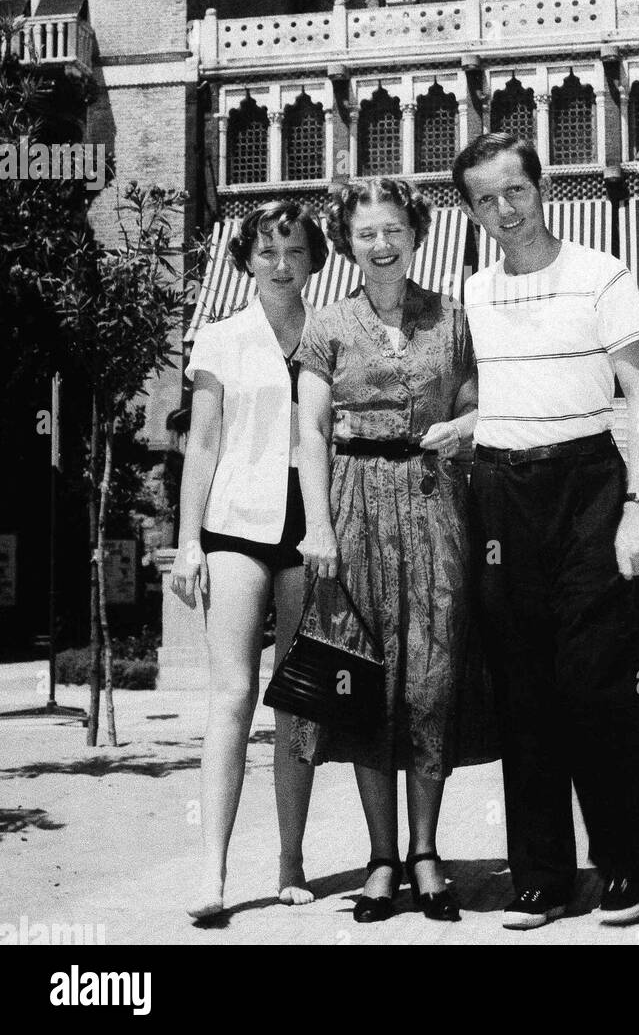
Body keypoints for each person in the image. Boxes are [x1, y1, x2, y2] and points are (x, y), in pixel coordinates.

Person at [454, 131, 639, 930]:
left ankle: (621, 870)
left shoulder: (601, 274)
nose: (504, 210)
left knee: (601, 682)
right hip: (502, 491)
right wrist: (466, 426)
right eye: (485, 199)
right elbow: (500, 386)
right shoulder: (474, 293)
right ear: (470, 210)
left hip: (590, 486)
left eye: (515, 190)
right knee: (523, 689)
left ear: (542, 188)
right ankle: (540, 876)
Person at [294, 177, 490, 924]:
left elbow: (477, 402)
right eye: (366, 232)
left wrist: (460, 428)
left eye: (394, 230)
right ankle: (381, 858)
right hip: (351, 505)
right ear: (346, 241)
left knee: (432, 680)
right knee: (363, 680)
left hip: (436, 500)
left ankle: (426, 851)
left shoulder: (454, 317)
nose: (381, 244)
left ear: (416, 234)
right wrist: (317, 526)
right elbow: (310, 430)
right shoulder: (327, 325)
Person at [172, 200, 328, 919]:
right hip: (234, 523)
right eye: (267, 250)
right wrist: (189, 541)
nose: (281, 262)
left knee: (296, 697)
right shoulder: (220, 337)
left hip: (310, 526)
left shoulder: (331, 332)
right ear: (246, 258)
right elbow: (200, 443)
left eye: (293, 249)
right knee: (232, 694)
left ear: (313, 256)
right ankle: (212, 873)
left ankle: (291, 858)